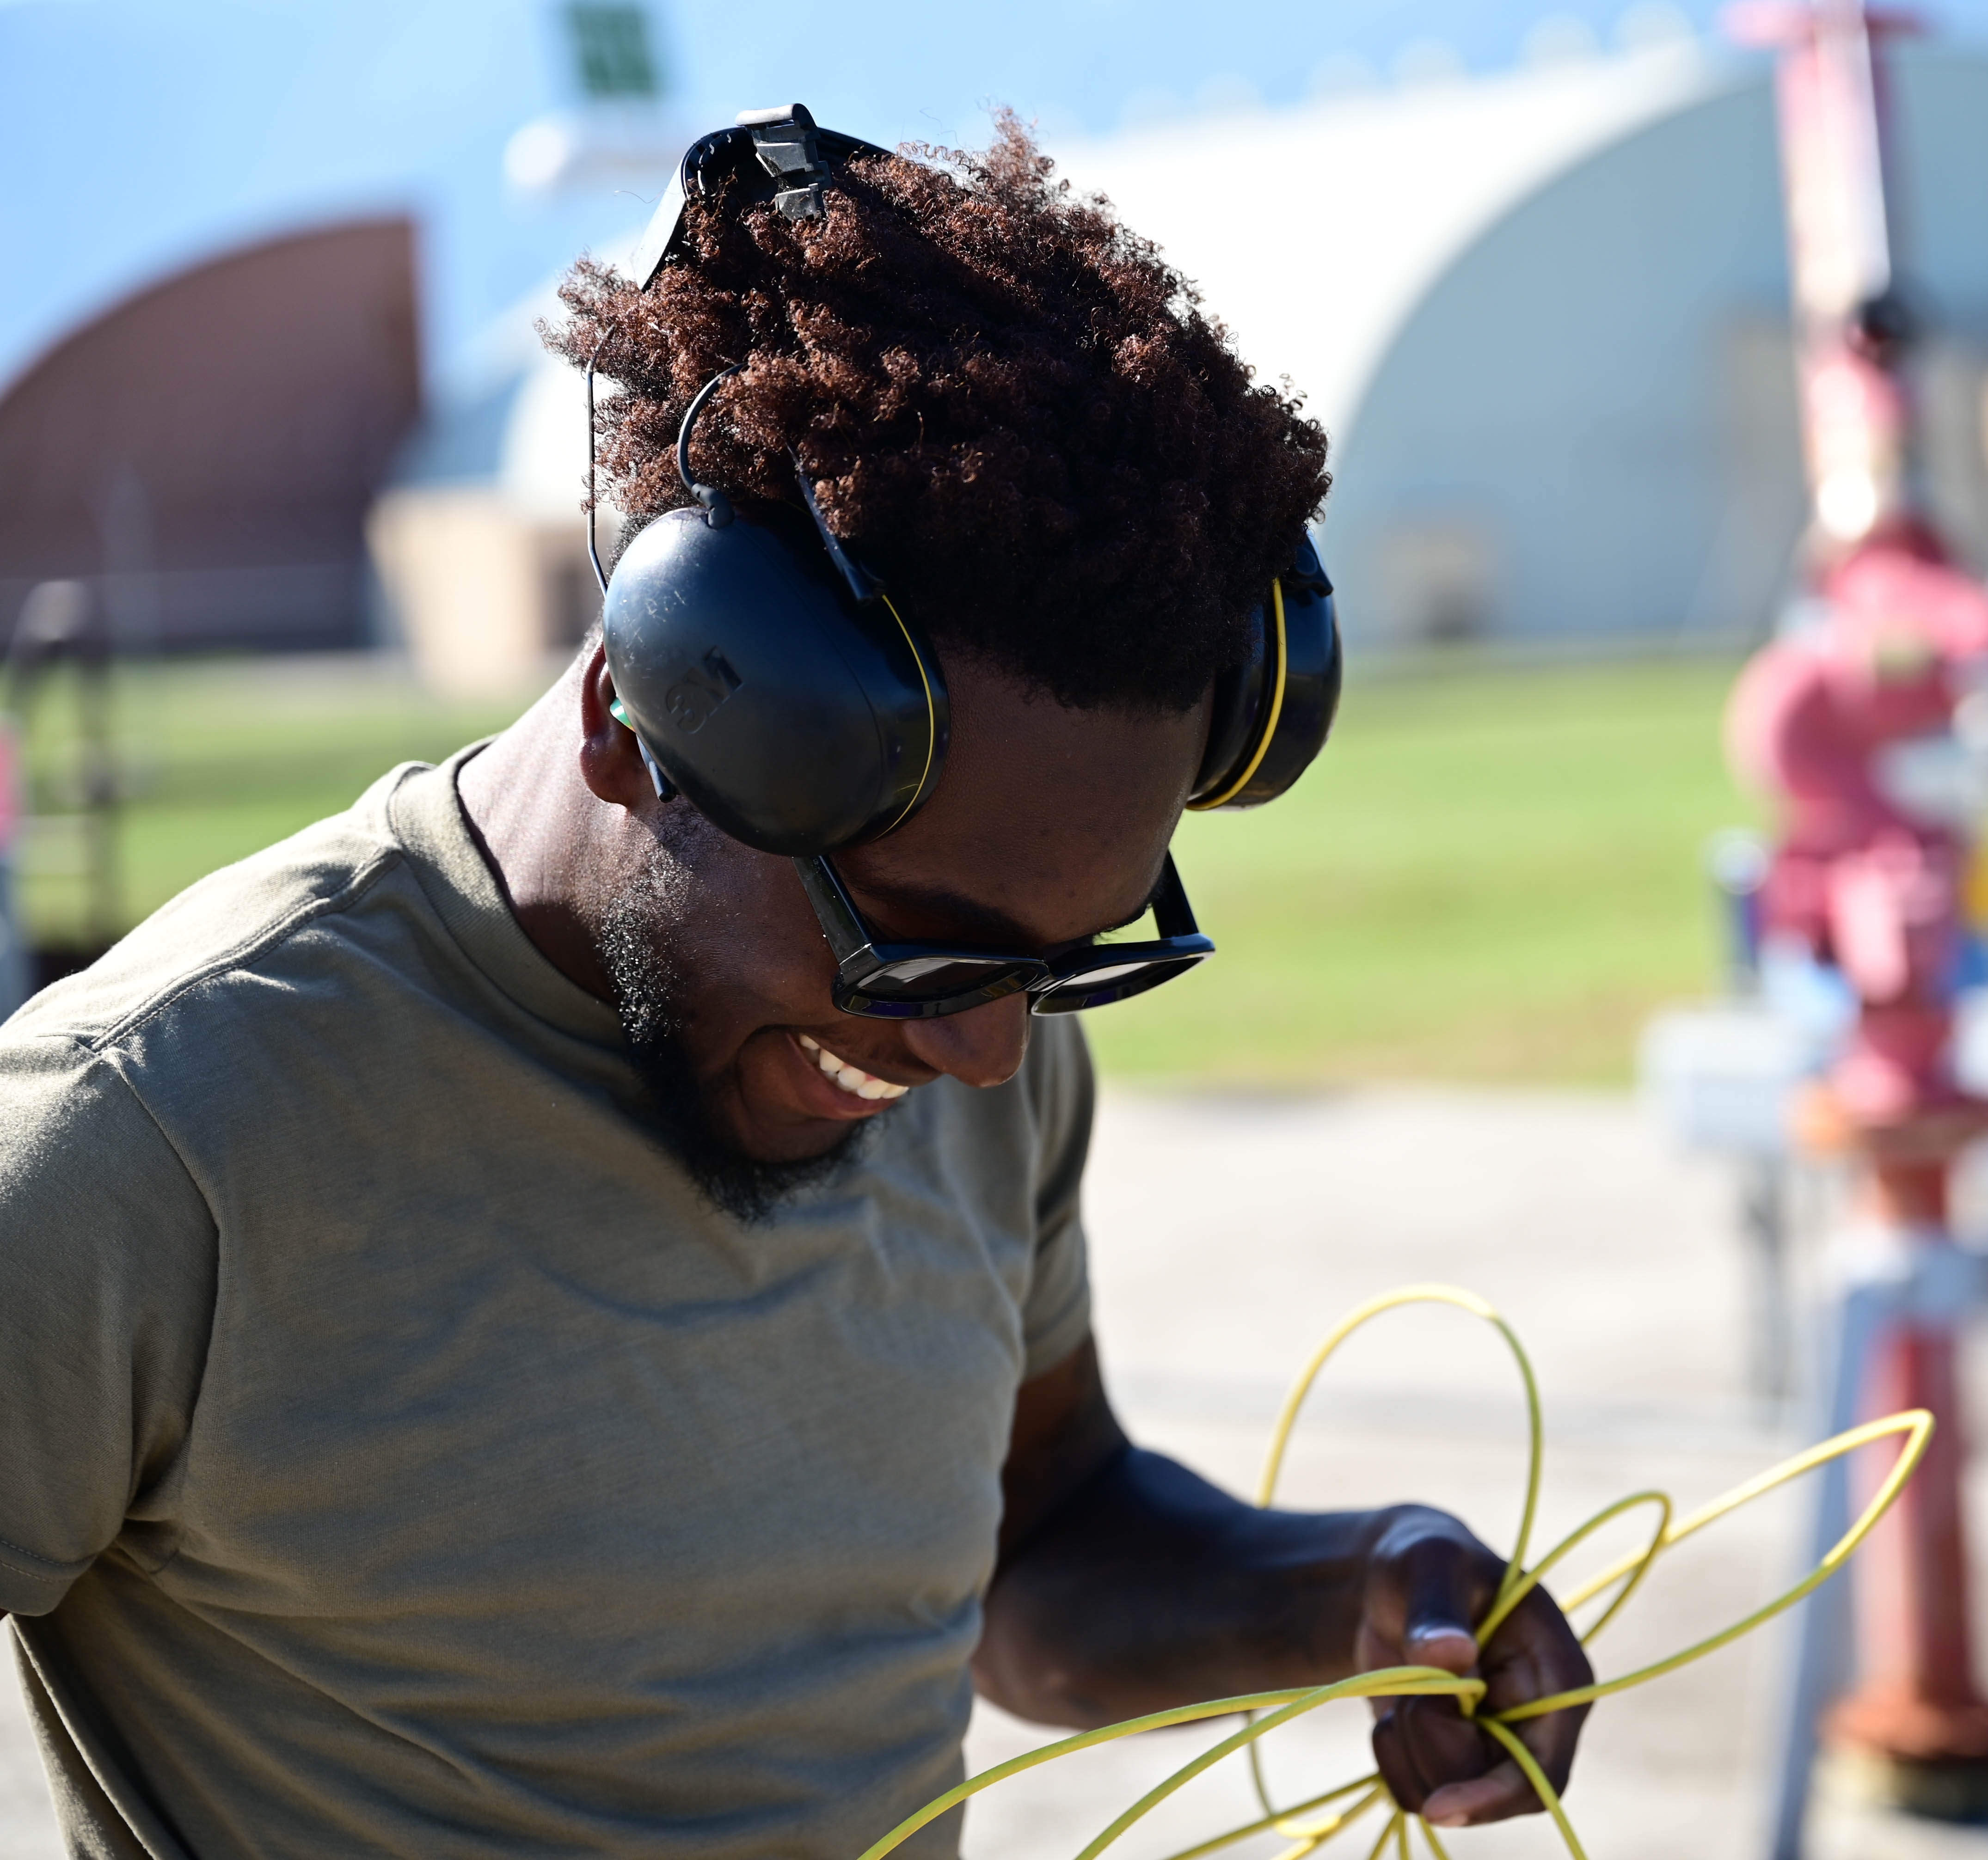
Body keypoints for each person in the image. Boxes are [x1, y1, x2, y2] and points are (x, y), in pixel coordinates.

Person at [0, 113, 1591, 1859]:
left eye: (1059, 965)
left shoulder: (960, 1030)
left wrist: (1353, 1593)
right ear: (636, 722)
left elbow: (1032, 1554)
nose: (985, 1056)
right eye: (923, 946)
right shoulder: (148, 1132)